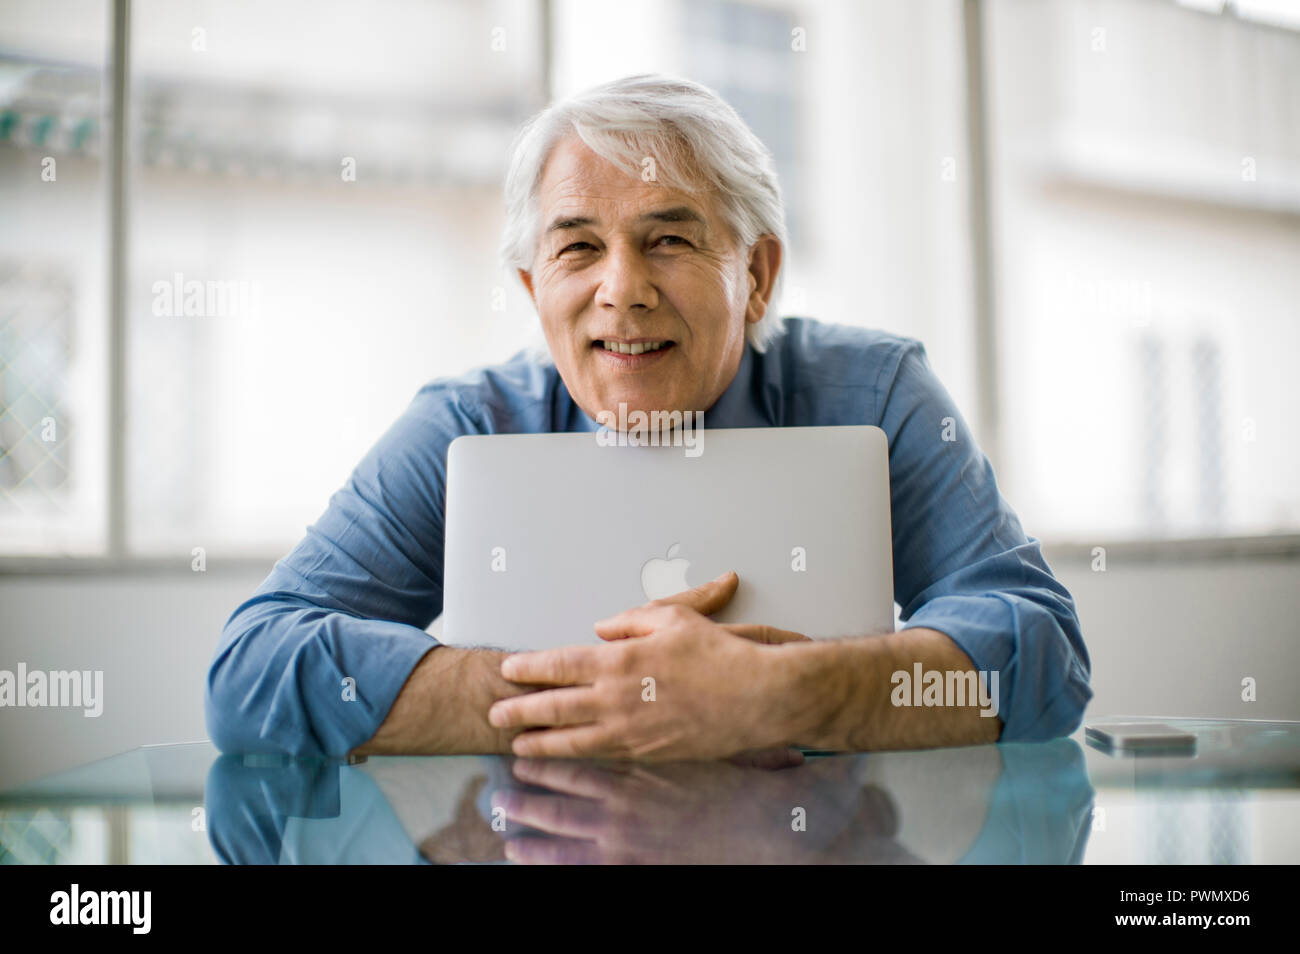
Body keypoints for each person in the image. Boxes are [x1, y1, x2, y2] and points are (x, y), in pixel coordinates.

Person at [205, 74, 1091, 761]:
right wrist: (591, 703)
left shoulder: (878, 394)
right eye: (578, 246)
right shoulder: (466, 425)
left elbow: (1044, 653)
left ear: (758, 276)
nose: (621, 291)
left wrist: (792, 694)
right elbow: (250, 672)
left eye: (669, 239)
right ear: (533, 288)